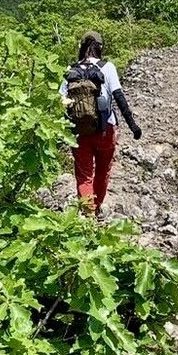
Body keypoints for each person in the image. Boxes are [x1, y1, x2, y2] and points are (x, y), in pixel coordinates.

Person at [60, 31, 142, 216]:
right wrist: (133, 126)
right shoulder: (108, 67)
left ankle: (88, 217)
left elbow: (62, 101)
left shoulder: (70, 69)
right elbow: (119, 97)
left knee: (84, 175)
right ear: (100, 48)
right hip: (106, 130)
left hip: (79, 132)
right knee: (103, 172)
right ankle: (96, 209)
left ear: (82, 47)